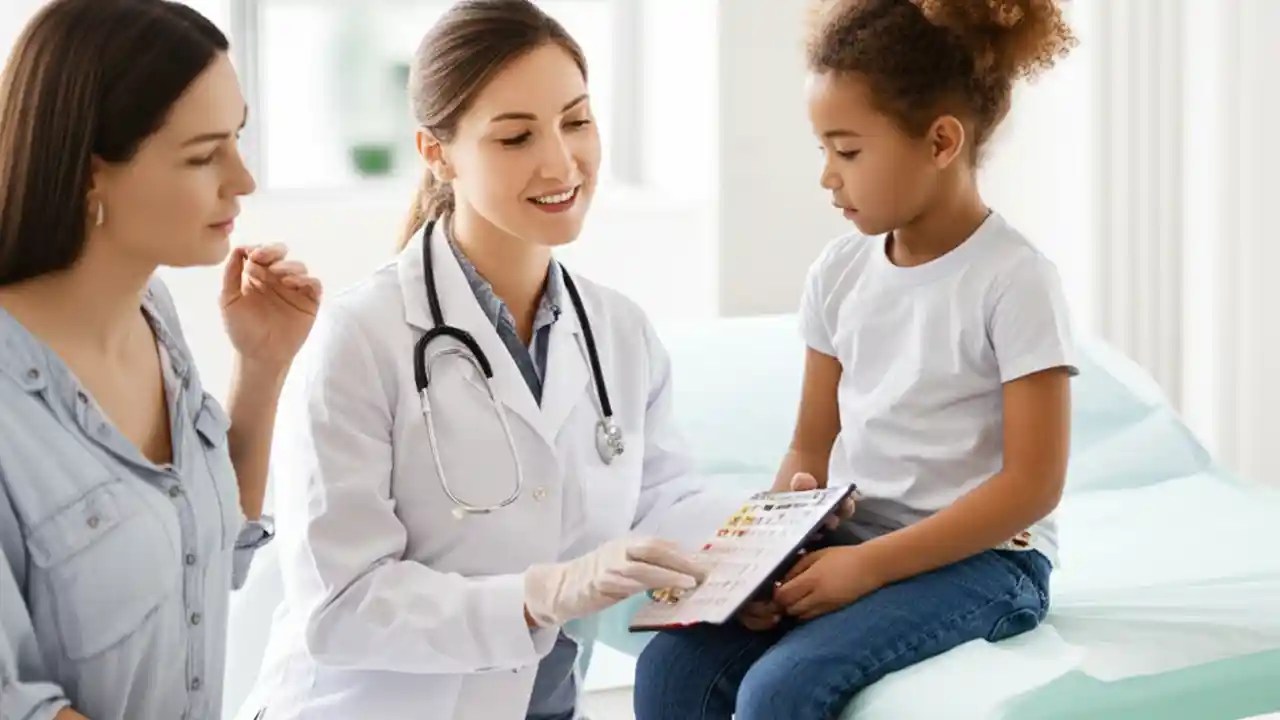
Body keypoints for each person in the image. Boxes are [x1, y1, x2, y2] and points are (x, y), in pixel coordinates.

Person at [241, 1, 715, 718]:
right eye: (516, 137)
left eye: (577, 121)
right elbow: (341, 604)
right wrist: (542, 594)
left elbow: (664, 510)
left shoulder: (620, 332)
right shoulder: (361, 339)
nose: (560, 161)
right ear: (437, 152)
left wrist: (760, 548)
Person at [634, 1, 1078, 718]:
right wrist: (763, 564)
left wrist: (868, 567)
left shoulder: (1015, 279)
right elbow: (811, 446)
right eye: (823, 151)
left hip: (987, 563)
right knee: (670, 671)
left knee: (783, 689)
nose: (827, 178)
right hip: (854, 540)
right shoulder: (838, 273)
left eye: (848, 151)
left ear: (940, 142)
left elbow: (1032, 486)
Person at [0, 1, 322, 719]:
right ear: (90, 174)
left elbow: (209, 554)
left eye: (237, 139)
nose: (243, 179)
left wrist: (262, 368)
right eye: (205, 154)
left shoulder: (157, 320)